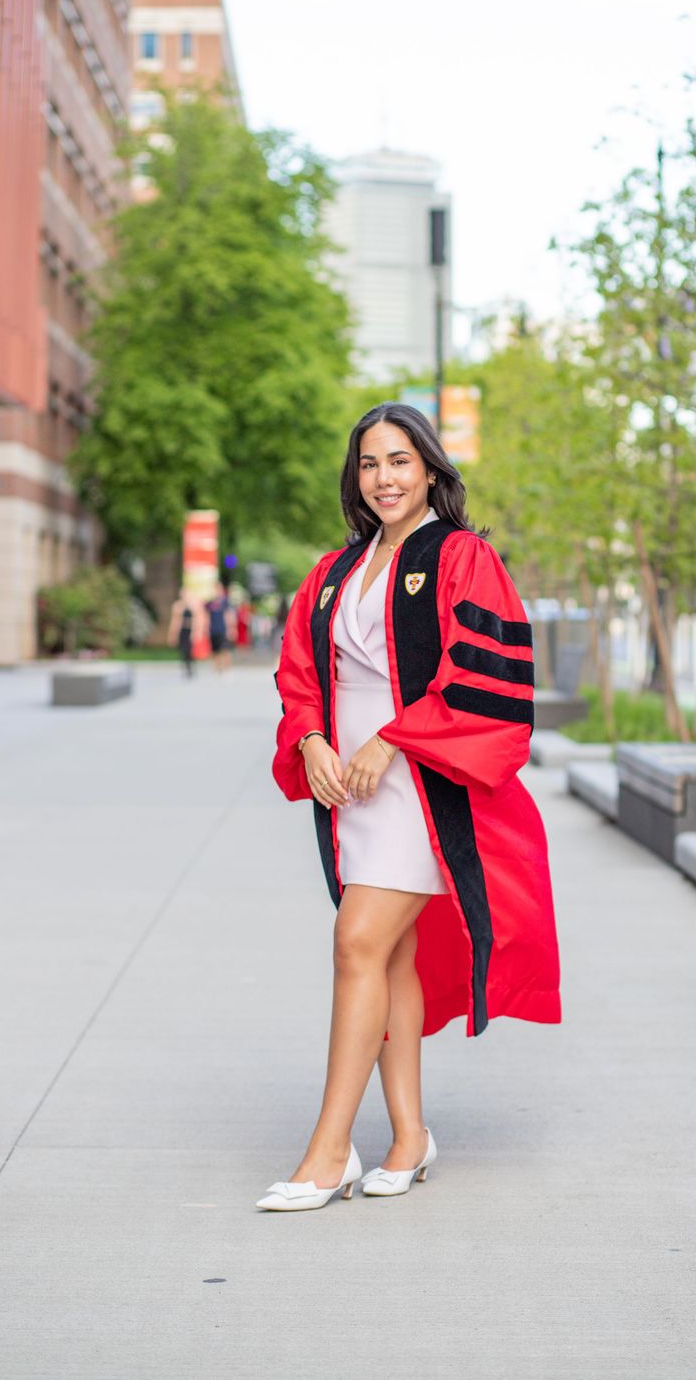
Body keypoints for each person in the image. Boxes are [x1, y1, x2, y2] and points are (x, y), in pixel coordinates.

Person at [262, 402, 560, 1212]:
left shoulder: (461, 556)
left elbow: (479, 677)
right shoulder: (335, 570)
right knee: (388, 958)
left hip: (421, 785)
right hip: (350, 790)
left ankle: (329, 1152)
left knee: (356, 940)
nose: (384, 478)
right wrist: (312, 740)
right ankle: (409, 1136)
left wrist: (391, 742)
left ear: (430, 468)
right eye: (369, 463)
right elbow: (298, 672)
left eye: (399, 460)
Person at [167, 589, 199, 679]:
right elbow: (175, 621)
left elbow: (197, 619)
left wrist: (196, 632)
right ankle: (186, 667)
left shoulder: (193, 606)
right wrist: (172, 634)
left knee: (190, 650)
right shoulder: (177, 606)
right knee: (183, 650)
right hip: (182, 630)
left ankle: (191, 666)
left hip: (190, 630)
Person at [206, 588, 232, 673]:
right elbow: (206, 616)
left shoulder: (224, 602)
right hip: (212, 629)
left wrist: (230, 629)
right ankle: (217, 666)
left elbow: (227, 615)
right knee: (214, 650)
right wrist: (206, 628)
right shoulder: (209, 603)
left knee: (224, 649)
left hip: (222, 629)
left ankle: (226, 666)